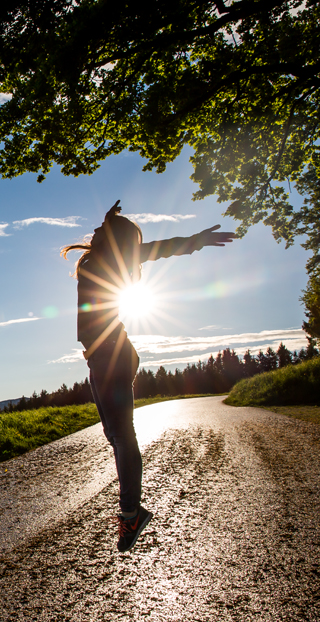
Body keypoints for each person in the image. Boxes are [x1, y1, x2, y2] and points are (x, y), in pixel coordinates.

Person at [61, 200, 235, 552]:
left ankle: (130, 514)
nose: (93, 231)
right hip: (103, 356)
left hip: (112, 353)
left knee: (122, 436)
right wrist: (110, 219)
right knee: (115, 435)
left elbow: (158, 249)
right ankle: (132, 512)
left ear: (112, 238)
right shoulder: (100, 259)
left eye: (100, 229)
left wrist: (196, 240)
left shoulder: (115, 258)